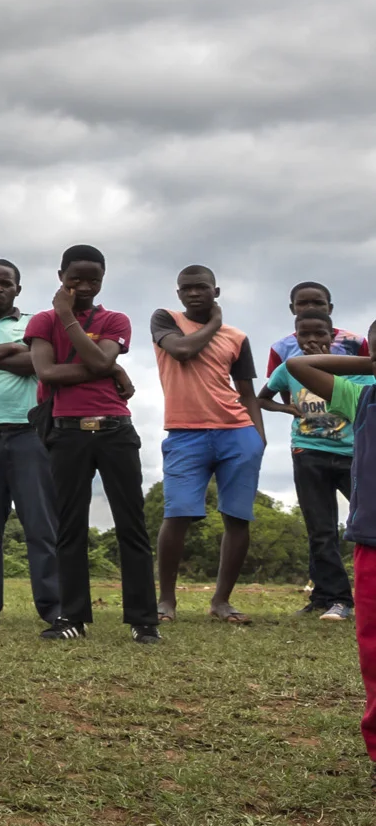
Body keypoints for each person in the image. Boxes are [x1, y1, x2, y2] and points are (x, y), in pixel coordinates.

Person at [259, 344, 376, 789]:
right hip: (372, 543)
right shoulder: (362, 397)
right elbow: (296, 365)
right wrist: (370, 364)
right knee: (374, 652)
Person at [25, 246, 153, 642]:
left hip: (116, 429)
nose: (83, 287)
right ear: (60, 274)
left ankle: (143, 620)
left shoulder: (115, 319)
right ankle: (72, 618)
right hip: (66, 430)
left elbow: (98, 363)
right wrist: (109, 367)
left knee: (131, 525)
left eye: (92, 280)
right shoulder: (42, 321)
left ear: (103, 280)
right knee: (69, 526)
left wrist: (99, 357)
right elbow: (46, 371)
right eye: (75, 279)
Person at [151, 266, 266, 625]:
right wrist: (214, 322)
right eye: (187, 288)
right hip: (186, 433)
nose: (194, 293)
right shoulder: (164, 320)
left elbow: (246, 392)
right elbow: (183, 351)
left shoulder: (238, 337)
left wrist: (259, 440)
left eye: (201, 287)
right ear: (178, 292)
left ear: (216, 290)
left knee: (237, 516)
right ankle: (166, 602)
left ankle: (221, 602)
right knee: (178, 514)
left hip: (237, 432)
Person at [0, 260, 62, 627]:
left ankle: (53, 605)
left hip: (29, 432)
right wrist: (11, 350)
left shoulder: (36, 323)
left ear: (18, 289)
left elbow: (37, 363)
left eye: (6, 283)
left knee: (41, 523)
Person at [263, 312, 357, 620]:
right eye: (304, 335)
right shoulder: (288, 369)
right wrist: (284, 407)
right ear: (296, 337)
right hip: (308, 452)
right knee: (321, 530)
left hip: (351, 455)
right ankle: (336, 599)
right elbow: (261, 397)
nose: (312, 340)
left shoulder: (353, 368)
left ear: (333, 337)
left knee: (366, 525)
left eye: (319, 334)